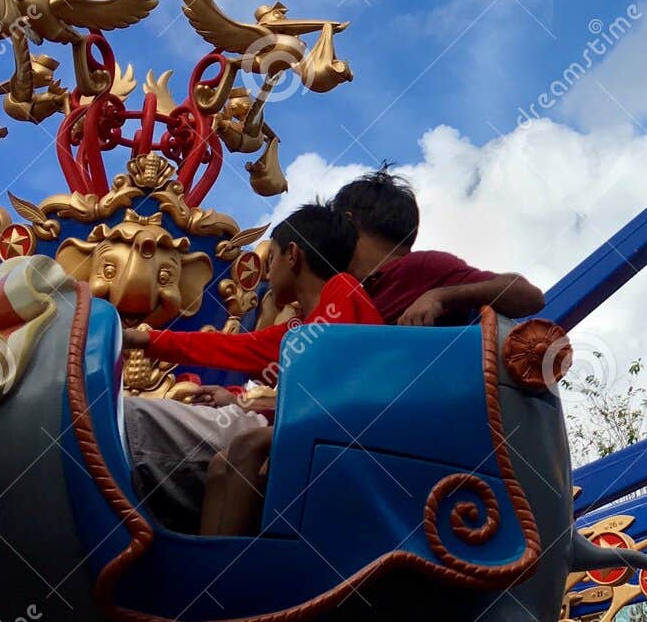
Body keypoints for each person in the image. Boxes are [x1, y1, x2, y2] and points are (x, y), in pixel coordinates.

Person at [121, 202, 382, 536]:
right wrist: (145, 340)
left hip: (334, 430)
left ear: (293, 255)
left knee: (135, 419)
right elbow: (230, 348)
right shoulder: (299, 329)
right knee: (219, 467)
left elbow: (340, 380)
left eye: (270, 259)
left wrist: (281, 422)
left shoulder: (342, 290)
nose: (268, 273)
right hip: (303, 425)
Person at [331, 168, 545, 326]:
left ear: (348, 222)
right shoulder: (346, 294)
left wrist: (439, 296)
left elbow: (528, 296)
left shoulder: (418, 267)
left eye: (332, 225)